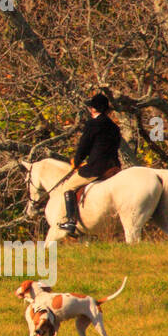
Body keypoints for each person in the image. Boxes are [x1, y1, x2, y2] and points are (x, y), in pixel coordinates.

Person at [59, 92, 122, 236]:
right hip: (114, 166)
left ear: (93, 109)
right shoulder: (114, 126)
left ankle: (70, 221)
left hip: (97, 167)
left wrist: (77, 162)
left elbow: (84, 146)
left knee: (68, 186)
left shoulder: (93, 123)